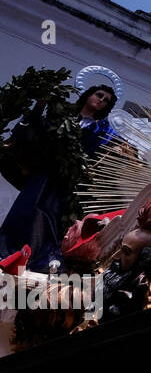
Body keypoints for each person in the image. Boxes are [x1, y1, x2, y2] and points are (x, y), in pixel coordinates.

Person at [0, 83, 117, 272]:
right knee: (25, 209)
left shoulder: (101, 131)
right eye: (99, 95)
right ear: (88, 95)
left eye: (106, 101)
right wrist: (38, 109)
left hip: (64, 183)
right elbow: (37, 132)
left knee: (48, 217)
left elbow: (102, 152)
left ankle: (34, 259)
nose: (101, 100)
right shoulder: (62, 115)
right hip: (43, 174)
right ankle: (8, 251)